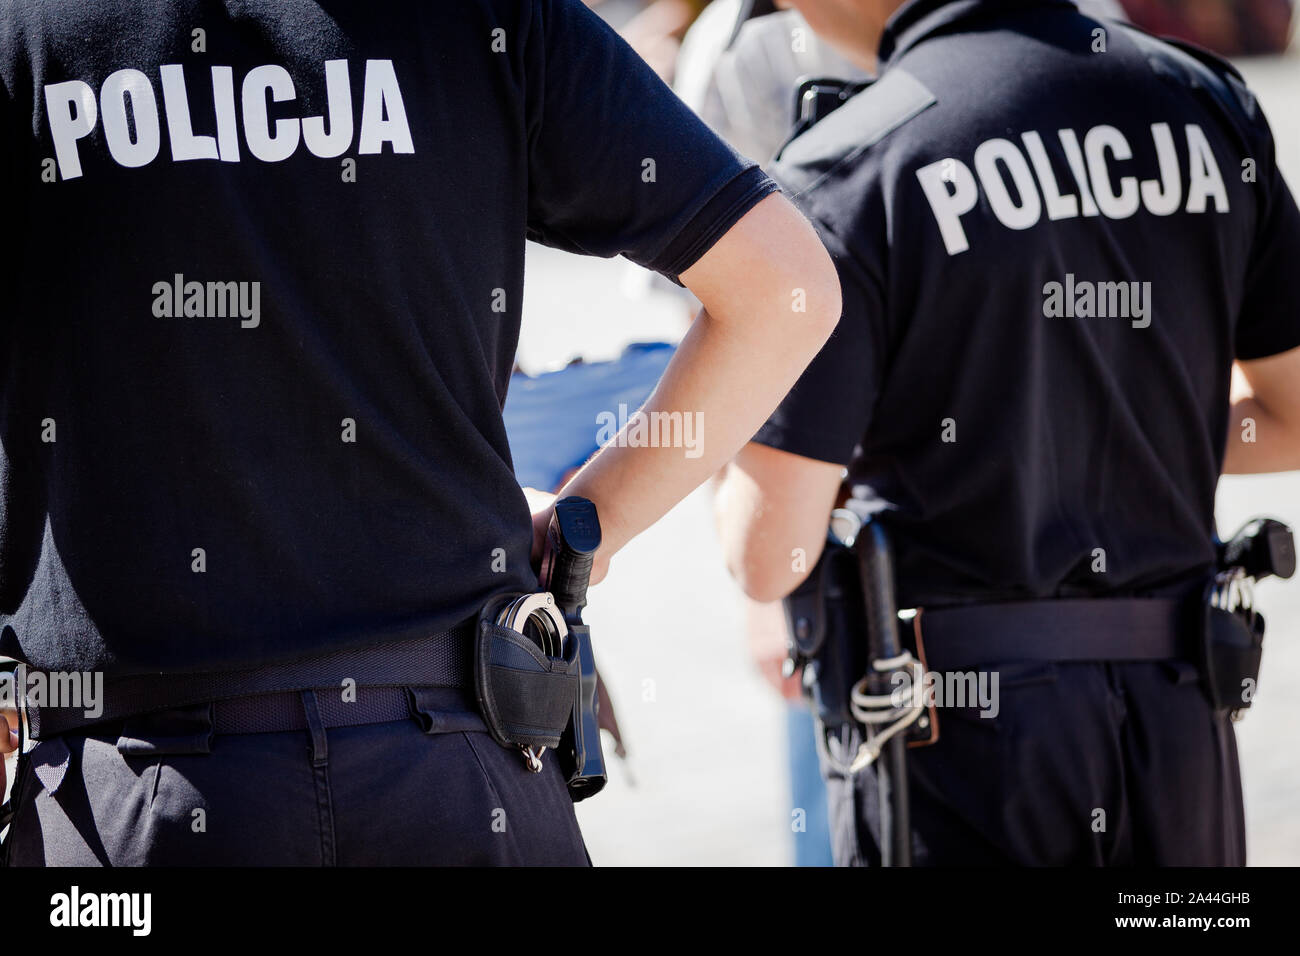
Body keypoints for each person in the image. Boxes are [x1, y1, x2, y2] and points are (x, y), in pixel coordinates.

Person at [0, 0, 840, 865]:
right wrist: (591, 529)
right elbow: (784, 287)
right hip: (467, 774)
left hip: (133, 801)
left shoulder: (26, 28)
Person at [714, 0, 1300, 865]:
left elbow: (766, 553)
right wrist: (1117, 434)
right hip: (1184, 727)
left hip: (966, 750)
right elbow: (1292, 419)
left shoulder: (851, 160)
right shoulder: (1202, 100)